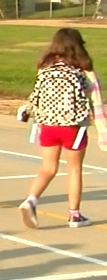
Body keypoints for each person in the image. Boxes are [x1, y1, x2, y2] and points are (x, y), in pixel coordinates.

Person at [18, 28, 107, 229]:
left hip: (47, 125)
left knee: (48, 168)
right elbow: (97, 103)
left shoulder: (45, 68)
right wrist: (103, 132)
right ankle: (74, 215)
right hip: (74, 128)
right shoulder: (84, 69)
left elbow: (36, 95)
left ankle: (31, 200)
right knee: (74, 169)